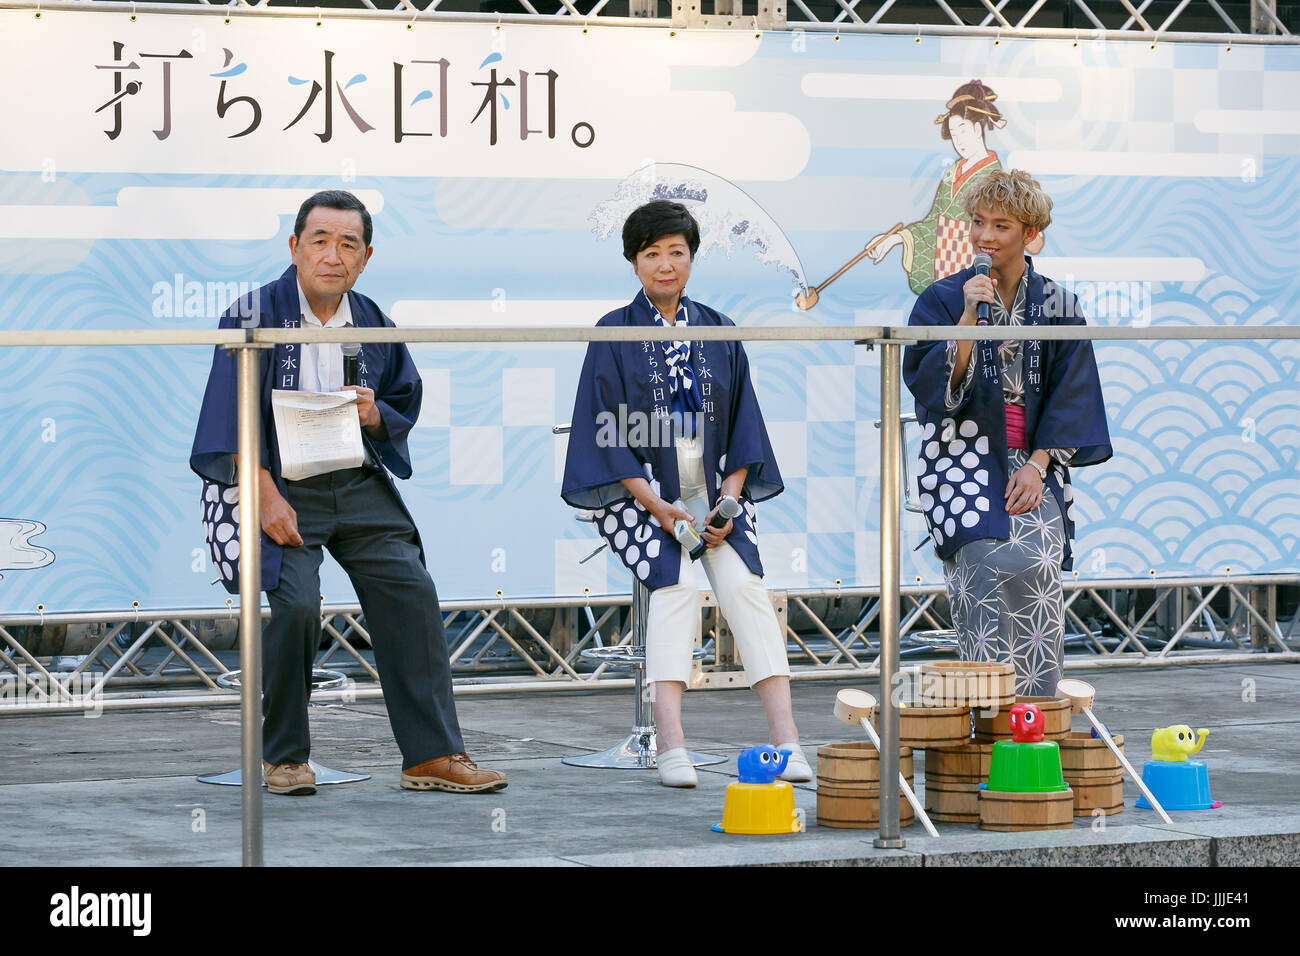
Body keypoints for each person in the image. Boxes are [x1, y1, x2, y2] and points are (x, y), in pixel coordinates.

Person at [190, 190, 506, 796]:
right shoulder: (251, 313)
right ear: (295, 247)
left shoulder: (372, 318)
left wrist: (375, 414)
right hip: (280, 483)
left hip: (356, 480)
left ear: (365, 257)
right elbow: (230, 417)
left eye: (348, 244)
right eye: (321, 240)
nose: (333, 255)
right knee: (297, 608)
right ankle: (283, 757)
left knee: (411, 593)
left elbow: (404, 397)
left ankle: (432, 755)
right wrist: (263, 494)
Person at [561, 200, 810, 788]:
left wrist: (727, 500)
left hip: (715, 498)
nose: (666, 265)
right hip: (641, 499)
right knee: (675, 587)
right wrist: (659, 507)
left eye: (677, 252)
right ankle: (672, 744)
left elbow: (745, 422)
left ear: (692, 258)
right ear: (634, 262)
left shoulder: (718, 328)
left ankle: (788, 740)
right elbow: (606, 428)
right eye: (652, 254)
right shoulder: (614, 333)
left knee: (746, 590)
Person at [903, 170, 1112, 696]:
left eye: (1002, 225)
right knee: (979, 555)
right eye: (978, 223)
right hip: (960, 456)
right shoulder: (944, 298)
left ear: (1030, 233)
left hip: (1034, 460)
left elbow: (1074, 391)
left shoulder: (1058, 302)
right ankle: (986, 707)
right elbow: (934, 386)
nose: (985, 236)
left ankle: (1035, 711)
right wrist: (970, 315)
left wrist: (1039, 465)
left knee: (1039, 563)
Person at [867, 80, 1044, 295]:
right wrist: (896, 239)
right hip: (945, 259)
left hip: (977, 259)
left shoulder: (995, 177)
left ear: (978, 128)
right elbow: (934, 221)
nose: (958, 140)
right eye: (954, 133)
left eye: (963, 130)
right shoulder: (953, 172)